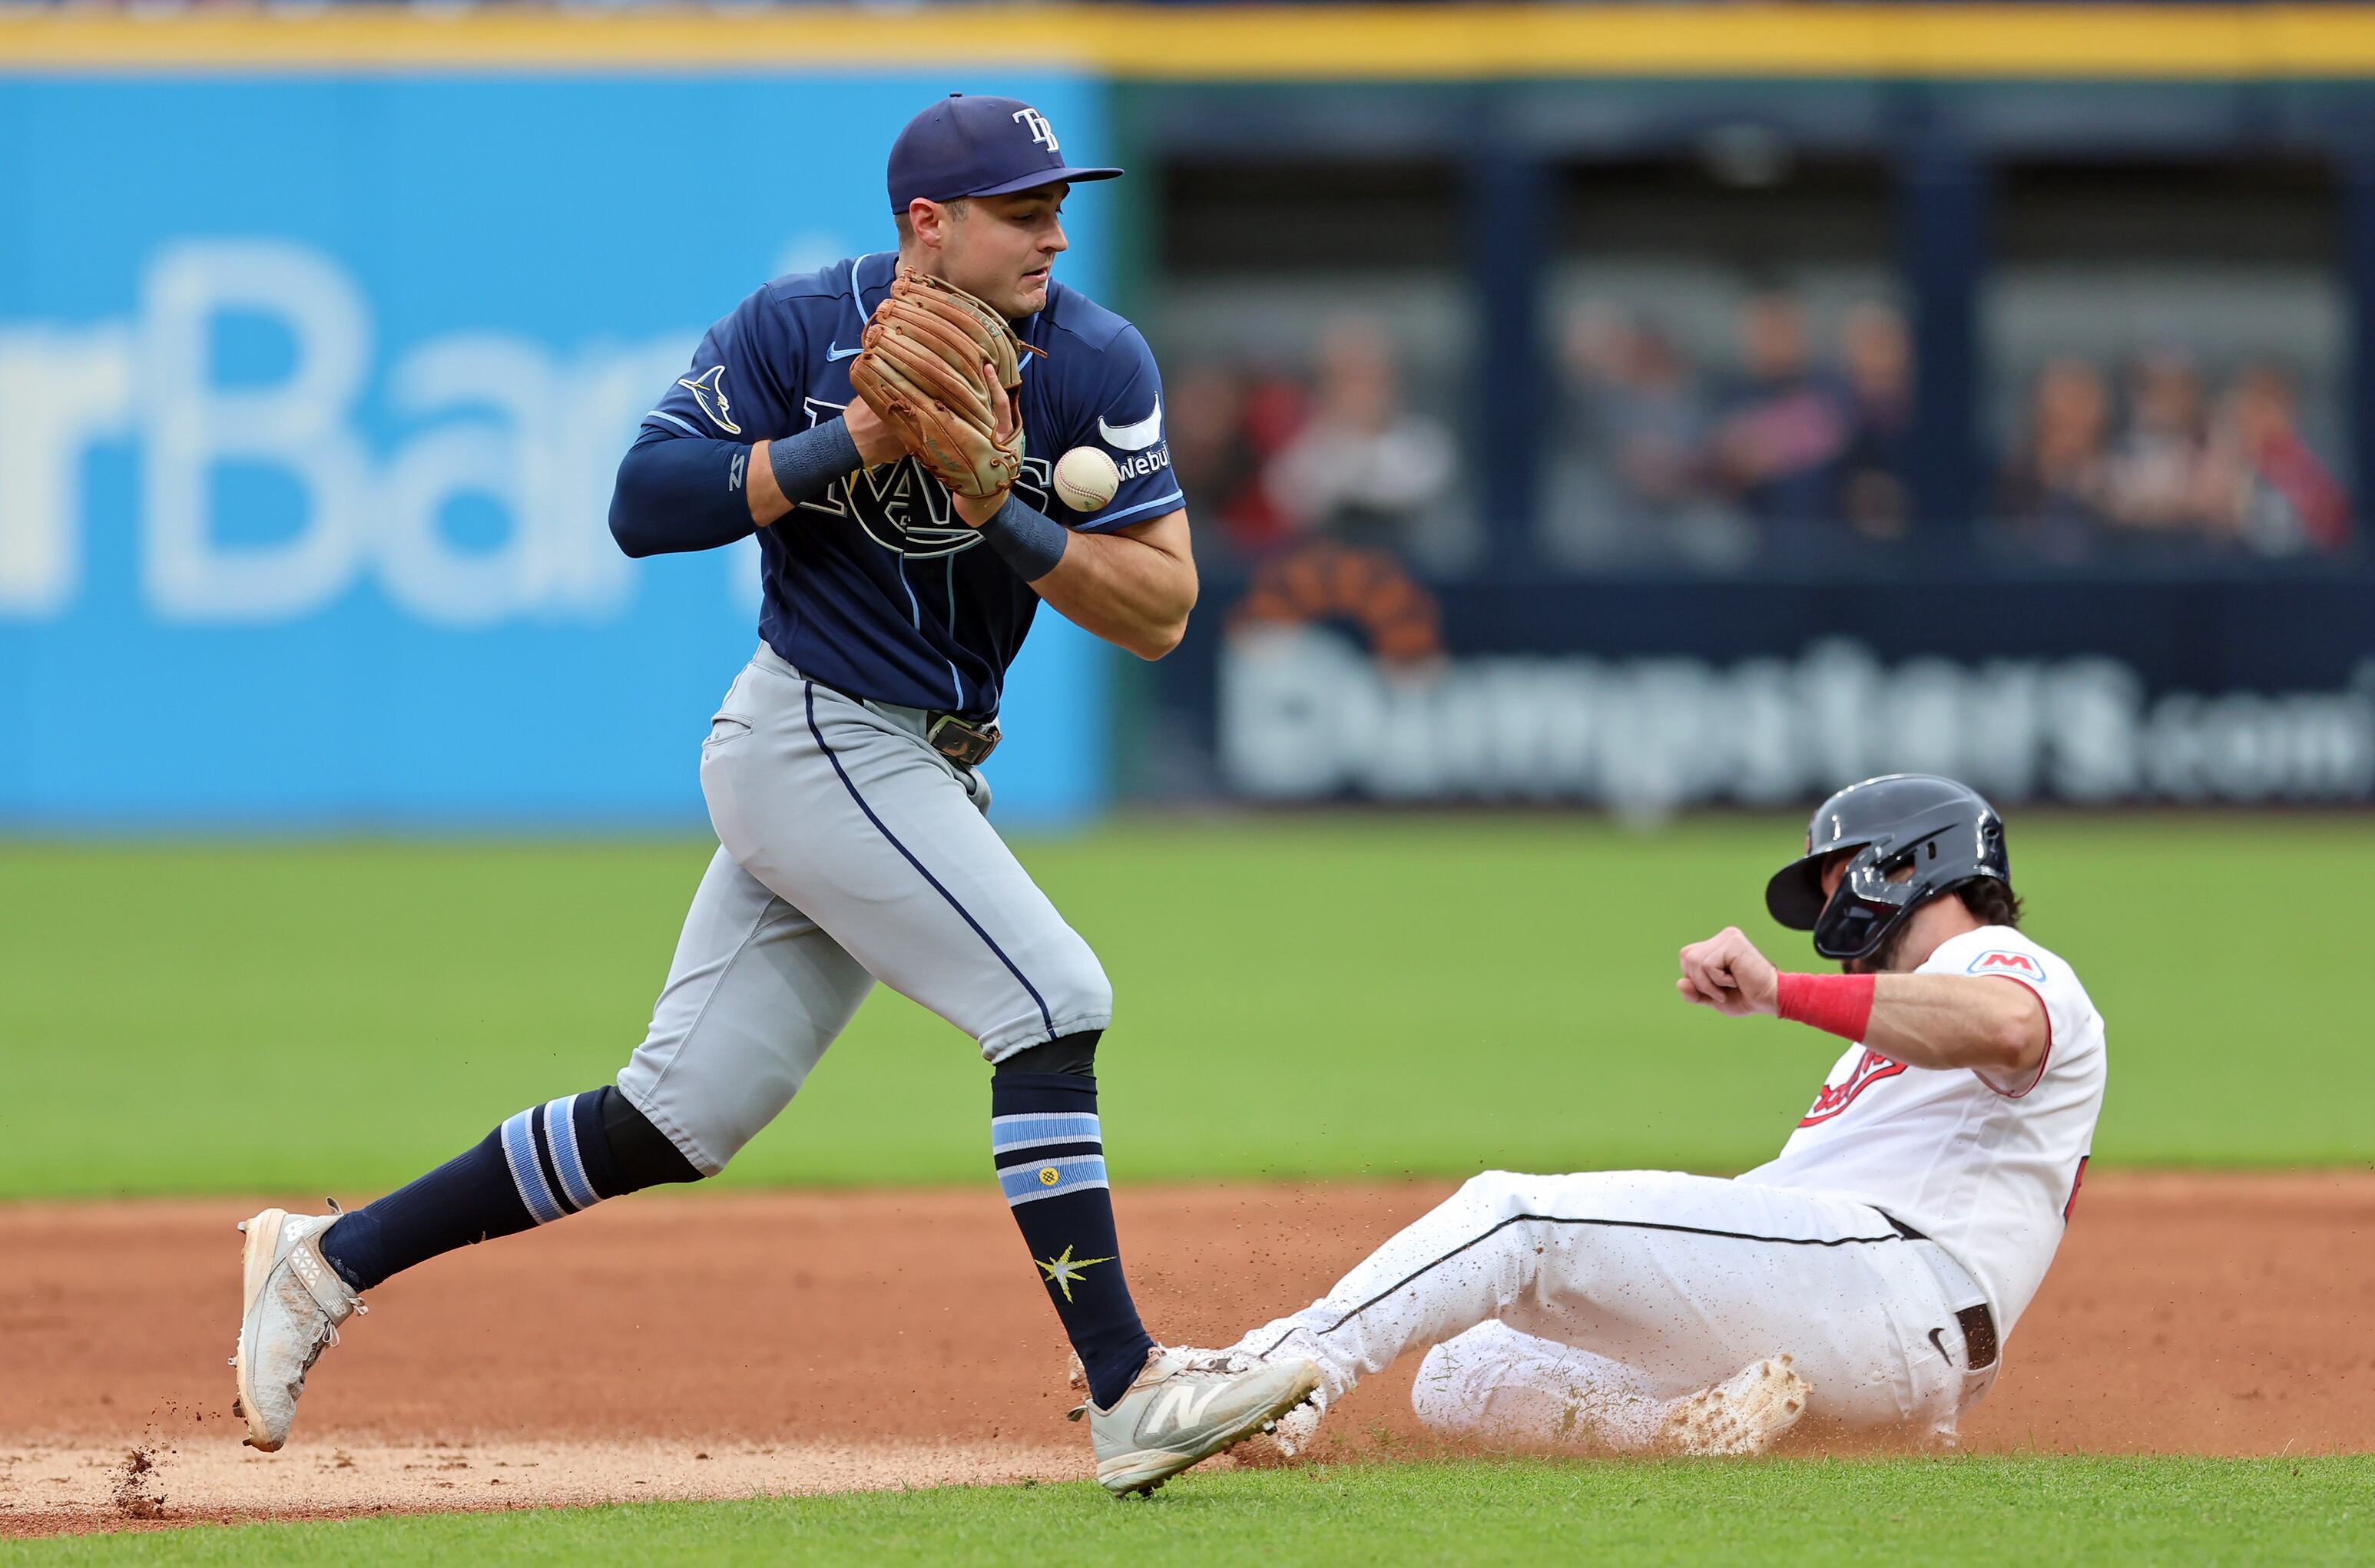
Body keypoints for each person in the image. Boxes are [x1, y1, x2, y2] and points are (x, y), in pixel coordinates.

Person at [229, 91, 1317, 1502]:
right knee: (1051, 1000)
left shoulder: (1094, 356)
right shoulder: (799, 328)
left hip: (925, 758)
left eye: (1059, 207)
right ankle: (1128, 1388)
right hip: (813, 730)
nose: (1055, 235)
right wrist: (850, 440)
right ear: (928, 225)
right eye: (1021, 212)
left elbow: (1161, 610)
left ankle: (324, 1260)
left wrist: (1000, 510)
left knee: (676, 1116)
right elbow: (640, 503)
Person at [1201, 775, 2105, 1458]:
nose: (1830, 907)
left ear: (1909, 863)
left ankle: (1271, 1372)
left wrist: (1782, 991)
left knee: (1515, 1217)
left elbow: (2006, 1025)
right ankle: (1682, 1428)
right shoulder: (1896, 1024)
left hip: (1888, 1286)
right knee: (1459, 1368)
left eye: (1837, 876)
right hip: (1869, 1335)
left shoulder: (1999, 957)